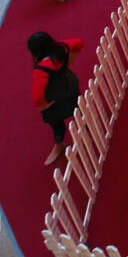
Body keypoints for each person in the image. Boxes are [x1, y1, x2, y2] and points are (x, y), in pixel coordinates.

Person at [28, 30, 82, 165]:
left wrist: (44, 106)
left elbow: (37, 96)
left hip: (57, 98)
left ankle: (59, 143)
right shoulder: (61, 48)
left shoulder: (41, 69)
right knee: (79, 109)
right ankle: (87, 131)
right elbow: (78, 43)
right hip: (71, 86)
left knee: (55, 121)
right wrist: (69, 62)